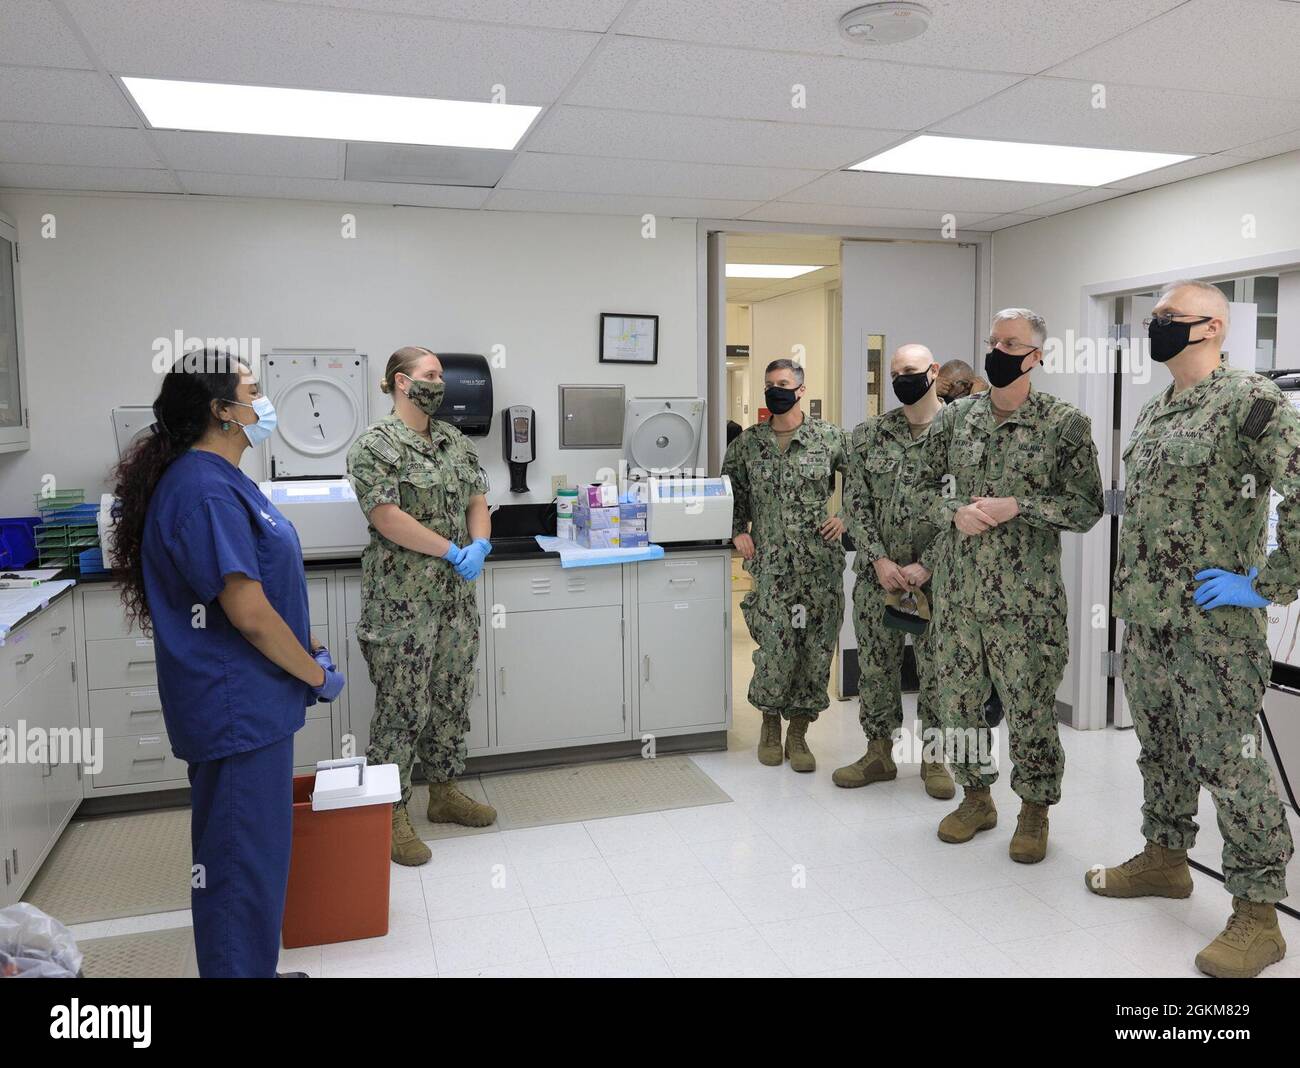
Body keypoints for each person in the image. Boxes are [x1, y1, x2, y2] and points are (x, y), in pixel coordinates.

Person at [111, 349, 344, 978]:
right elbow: (247, 613)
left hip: (251, 704)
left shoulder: (224, 480)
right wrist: (316, 675)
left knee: (251, 857)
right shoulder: (203, 490)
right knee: (239, 861)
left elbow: (265, 583)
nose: (263, 401)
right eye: (253, 390)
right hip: (235, 707)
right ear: (222, 411)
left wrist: (308, 644)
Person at [1093, 279, 1296, 978]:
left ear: (1210, 328)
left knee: (1230, 766)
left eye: (1167, 319)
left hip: (1214, 631)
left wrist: (1264, 584)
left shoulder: (1253, 402)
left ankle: (1258, 914)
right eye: (1153, 318)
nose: (1155, 328)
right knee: (1162, 751)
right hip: (1149, 621)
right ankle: (1166, 857)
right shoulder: (1157, 410)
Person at [921, 309, 1103, 862]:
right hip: (957, 599)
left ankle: (1034, 810)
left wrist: (1020, 506)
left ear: (1036, 356)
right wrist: (954, 511)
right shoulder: (955, 420)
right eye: (992, 341)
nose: (998, 350)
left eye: (1012, 343)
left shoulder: (1063, 424)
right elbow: (920, 489)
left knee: (1029, 710)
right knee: (957, 705)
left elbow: (1088, 506)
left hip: (1027, 605)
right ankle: (977, 798)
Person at [346, 346, 496, 867]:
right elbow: (387, 516)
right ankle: (390, 812)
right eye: (431, 375)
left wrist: (478, 544)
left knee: (451, 696)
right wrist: (450, 549)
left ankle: (445, 791)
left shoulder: (453, 439)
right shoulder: (375, 445)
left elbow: (478, 499)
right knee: (402, 707)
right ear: (400, 382)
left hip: (455, 599)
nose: (441, 383)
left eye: (441, 376)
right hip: (402, 603)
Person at [836, 343, 954, 800]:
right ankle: (879, 753)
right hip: (877, 578)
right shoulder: (868, 436)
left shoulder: (960, 433)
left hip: (938, 580)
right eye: (896, 371)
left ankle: (934, 758)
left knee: (938, 669)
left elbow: (965, 508)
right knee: (876, 666)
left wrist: (928, 565)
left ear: (933, 371)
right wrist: (879, 559)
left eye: (912, 370)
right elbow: (855, 505)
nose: (903, 378)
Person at [722, 358, 850, 771]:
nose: (774, 390)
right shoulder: (747, 443)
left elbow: (866, 484)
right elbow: (730, 492)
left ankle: (799, 731)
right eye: (768, 384)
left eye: (782, 383)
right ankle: (769, 725)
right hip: (771, 567)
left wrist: (844, 516)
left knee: (815, 652)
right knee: (776, 649)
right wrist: (738, 528)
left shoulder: (828, 438)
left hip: (819, 567)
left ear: (800, 389)